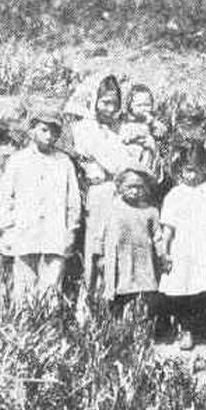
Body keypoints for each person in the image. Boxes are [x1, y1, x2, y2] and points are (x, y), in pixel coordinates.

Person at [0, 105, 82, 305]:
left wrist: (71, 228)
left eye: (54, 132)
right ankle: (25, 326)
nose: (49, 136)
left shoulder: (64, 162)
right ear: (32, 130)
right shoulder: (18, 161)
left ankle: (48, 327)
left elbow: (73, 200)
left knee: (51, 285)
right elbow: (5, 197)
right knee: (25, 283)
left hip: (54, 231)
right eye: (44, 130)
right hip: (25, 230)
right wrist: (9, 226)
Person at [158, 142, 206, 351]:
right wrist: (164, 250)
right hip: (184, 247)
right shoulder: (176, 194)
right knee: (185, 287)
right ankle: (187, 330)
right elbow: (168, 227)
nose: (191, 176)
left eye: (196, 170)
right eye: (187, 171)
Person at [72, 75, 143, 295]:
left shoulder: (119, 128)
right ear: (94, 101)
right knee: (97, 246)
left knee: (121, 243)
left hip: (120, 193)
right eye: (105, 102)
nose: (110, 109)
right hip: (101, 194)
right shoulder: (85, 127)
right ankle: (90, 304)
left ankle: (117, 303)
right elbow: (115, 163)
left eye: (114, 103)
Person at [92, 168, 162, 319]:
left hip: (143, 260)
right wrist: (99, 256)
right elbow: (100, 233)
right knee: (119, 292)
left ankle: (141, 327)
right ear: (120, 186)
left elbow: (158, 235)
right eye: (130, 187)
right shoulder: (112, 208)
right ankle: (118, 328)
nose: (135, 191)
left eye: (140, 187)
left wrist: (162, 254)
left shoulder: (151, 211)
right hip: (119, 259)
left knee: (143, 294)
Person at [120, 83, 168, 195]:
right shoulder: (127, 125)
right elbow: (124, 139)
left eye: (147, 105)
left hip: (150, 163)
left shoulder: (152, 123)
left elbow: (163, 131)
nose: (144, 109)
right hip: (132, 163)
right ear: (130, 106)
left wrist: (152, 122)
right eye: (139, 105)